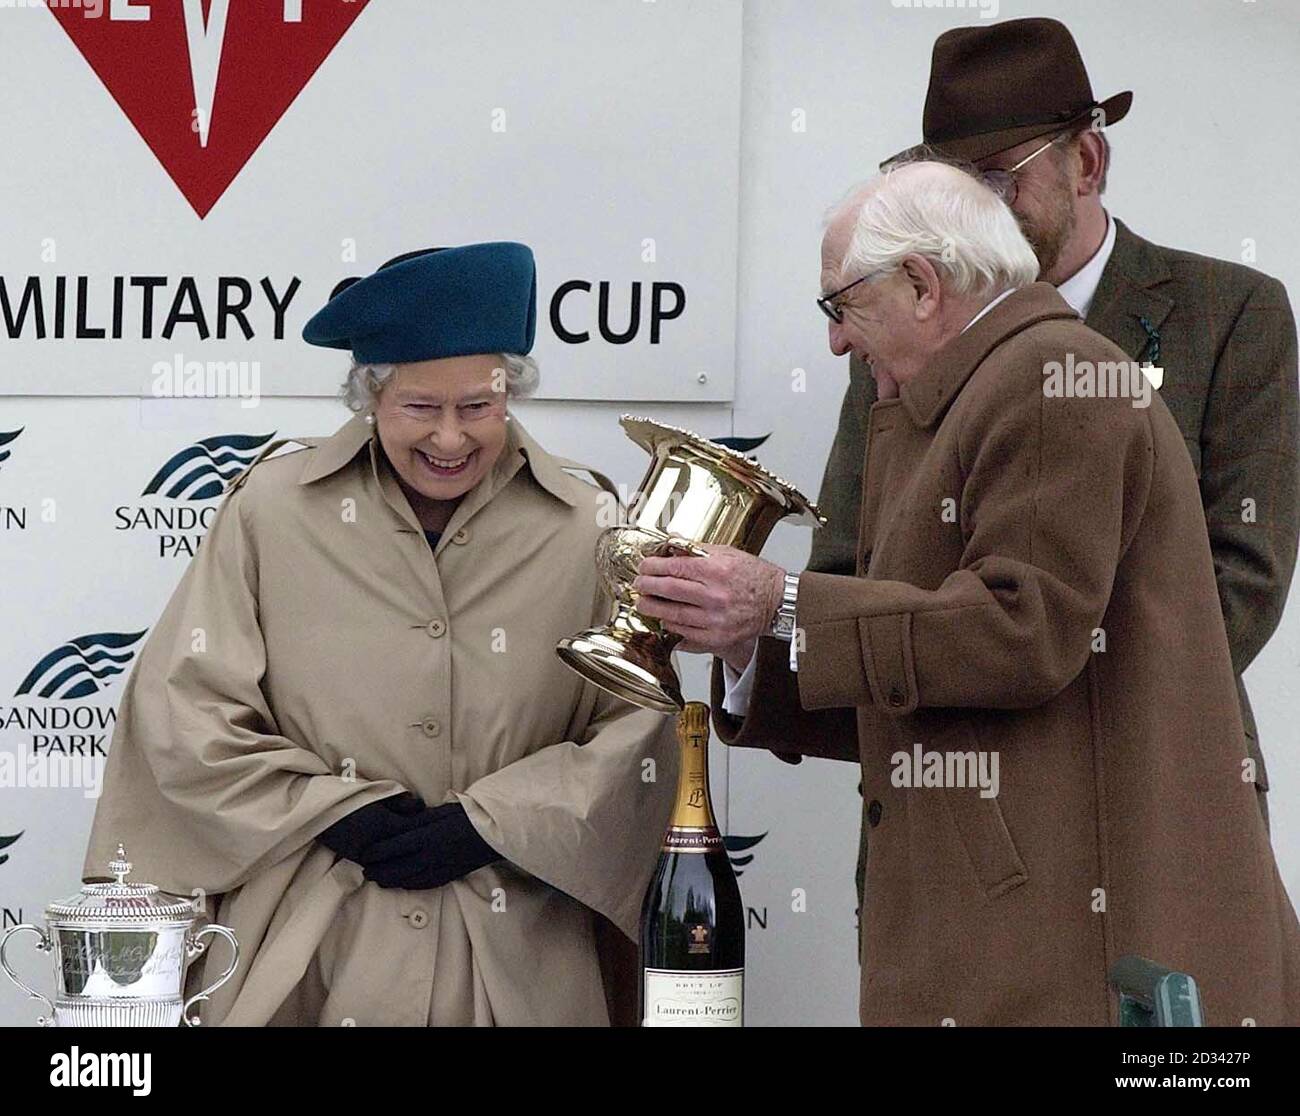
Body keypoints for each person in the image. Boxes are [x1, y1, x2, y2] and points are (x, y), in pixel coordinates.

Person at [633, 163, 1300, 1025]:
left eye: (841, 306)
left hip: (1065, 947)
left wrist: (781, 603)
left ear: (922, 283)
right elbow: (913, 676)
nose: (836, 343)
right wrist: (741, 646)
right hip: (1005, 930)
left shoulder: (1052, 375)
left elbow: (1022, 635)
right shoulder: (958, 399)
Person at [84, 242, 676, 1026]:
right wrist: (331, 810)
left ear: (511, 393)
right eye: (420, 409)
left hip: (517, 949)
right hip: (310, 950)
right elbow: (182, 708)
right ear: (369, 398)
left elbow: (634, 730)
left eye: (477, 407)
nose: (451, 439)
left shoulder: (589, 524)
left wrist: (491, 822)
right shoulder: (273, 508)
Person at [815, 18, 1298, 838]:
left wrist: (1029, 683)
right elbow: (846, 564)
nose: (971, 208)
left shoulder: (1233, 313)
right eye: (951, 181)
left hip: (1148, 794)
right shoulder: (898, 338)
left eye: (997, 181)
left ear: (1087, 161)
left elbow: (1237, 586)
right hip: (939, 813)